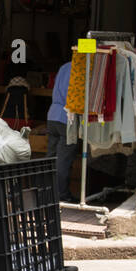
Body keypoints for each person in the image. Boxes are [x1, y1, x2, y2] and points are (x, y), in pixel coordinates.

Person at [45, 59, 76, 203]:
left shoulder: (64, 66)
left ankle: (46, 192)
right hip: (67, 117)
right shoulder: (82, 68)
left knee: (51, 158)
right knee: (63, 159)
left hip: (53, 114)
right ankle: (61, 194)